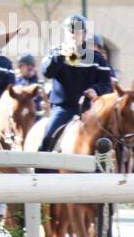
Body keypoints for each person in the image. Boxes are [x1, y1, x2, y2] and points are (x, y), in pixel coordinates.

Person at [38, 14, 113, 152]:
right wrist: (60, 56)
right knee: (48, 136)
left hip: (89, 110)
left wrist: (96, 89)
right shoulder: (55, 53)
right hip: (63, 108)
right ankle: (42, 169)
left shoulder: (97, 58)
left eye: (78, 31)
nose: (74, 34)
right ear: (65, 33)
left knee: (111, 138)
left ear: (84, 34)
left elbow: (107, 85)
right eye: (71, 31)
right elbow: (46, 72)